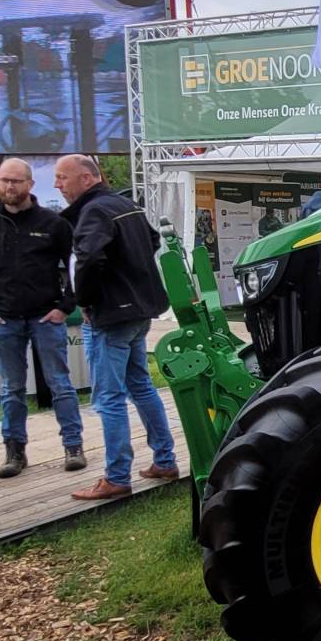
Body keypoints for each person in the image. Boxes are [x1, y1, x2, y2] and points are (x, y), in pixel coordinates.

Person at [53, 155, 180, 501]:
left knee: (108, 397)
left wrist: (88, 300)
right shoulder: (126, 205)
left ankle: (117, 476)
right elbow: (152, 241)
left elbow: (90, 259)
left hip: (111, 315)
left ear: (87, 178)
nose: (57, 185)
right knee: (140, 386)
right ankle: (165, 459)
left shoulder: (94, 212)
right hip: (139, 311)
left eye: (63, 177)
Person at [0, 157, 84, 479]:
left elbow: (75, 268)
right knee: (12, 388)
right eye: (4, 180)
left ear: (30, 184)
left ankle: (73, 445)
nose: (9, 187)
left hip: (45, 317)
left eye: (16, 181)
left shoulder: (53, 223)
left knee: (60, 383)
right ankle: (14, 451)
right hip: (5, 319)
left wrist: (65, 306)